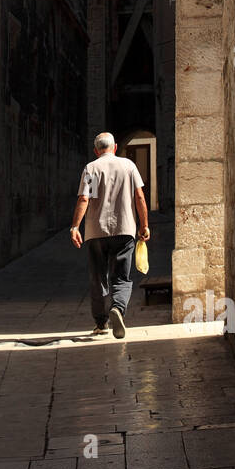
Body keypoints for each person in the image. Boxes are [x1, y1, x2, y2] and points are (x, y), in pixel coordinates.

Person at [69, 131, 150, 339]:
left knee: (98, 276)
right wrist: (144, 225)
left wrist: (75, 227)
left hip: (96, 232)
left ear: (96, 150)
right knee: (121, 277)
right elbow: (139, 196)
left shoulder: (91, 168)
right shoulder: (129, 166)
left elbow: (85, 199)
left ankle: (101, 322)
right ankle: (118, 308)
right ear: (115, 147)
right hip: (124, 229)